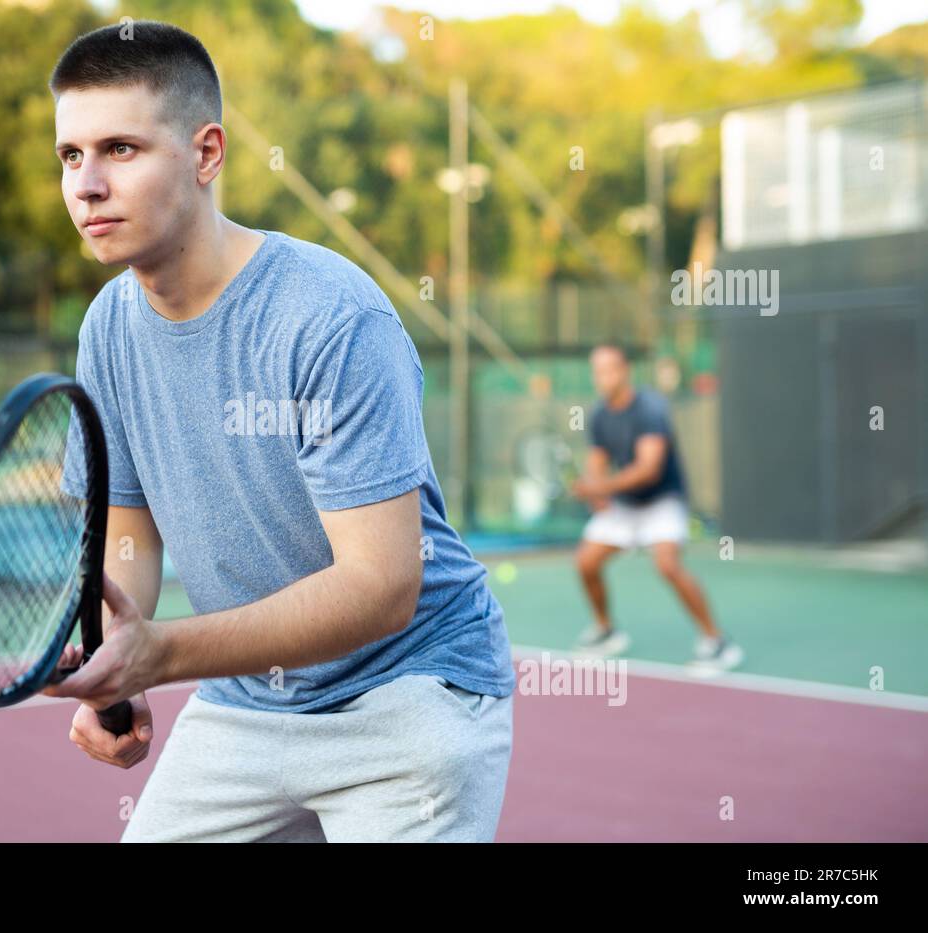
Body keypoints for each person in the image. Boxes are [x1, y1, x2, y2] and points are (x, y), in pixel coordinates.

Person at [42, 21, 515, 842]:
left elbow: (380, 585)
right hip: (248, 703)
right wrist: (118, 650)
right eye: (71, 155)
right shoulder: (106, 330)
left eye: (120, 149)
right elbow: (129, 538)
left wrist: (164, 653)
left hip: (406, 699)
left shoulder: (328, 317)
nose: (86, 184)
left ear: (207, 153)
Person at [569, 343, 743, 671]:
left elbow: (649, 468)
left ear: (624, 371)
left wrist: (602, 486)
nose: (602, 378)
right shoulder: (599, 414)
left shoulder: (650, 407)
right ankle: (606, 631)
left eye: (608, 370)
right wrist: (596, 491)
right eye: (597, 372)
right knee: (586, 563)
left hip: (662, 501)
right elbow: (597, 460)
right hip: (624, 507)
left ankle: (716, 641)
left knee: (667, 565)